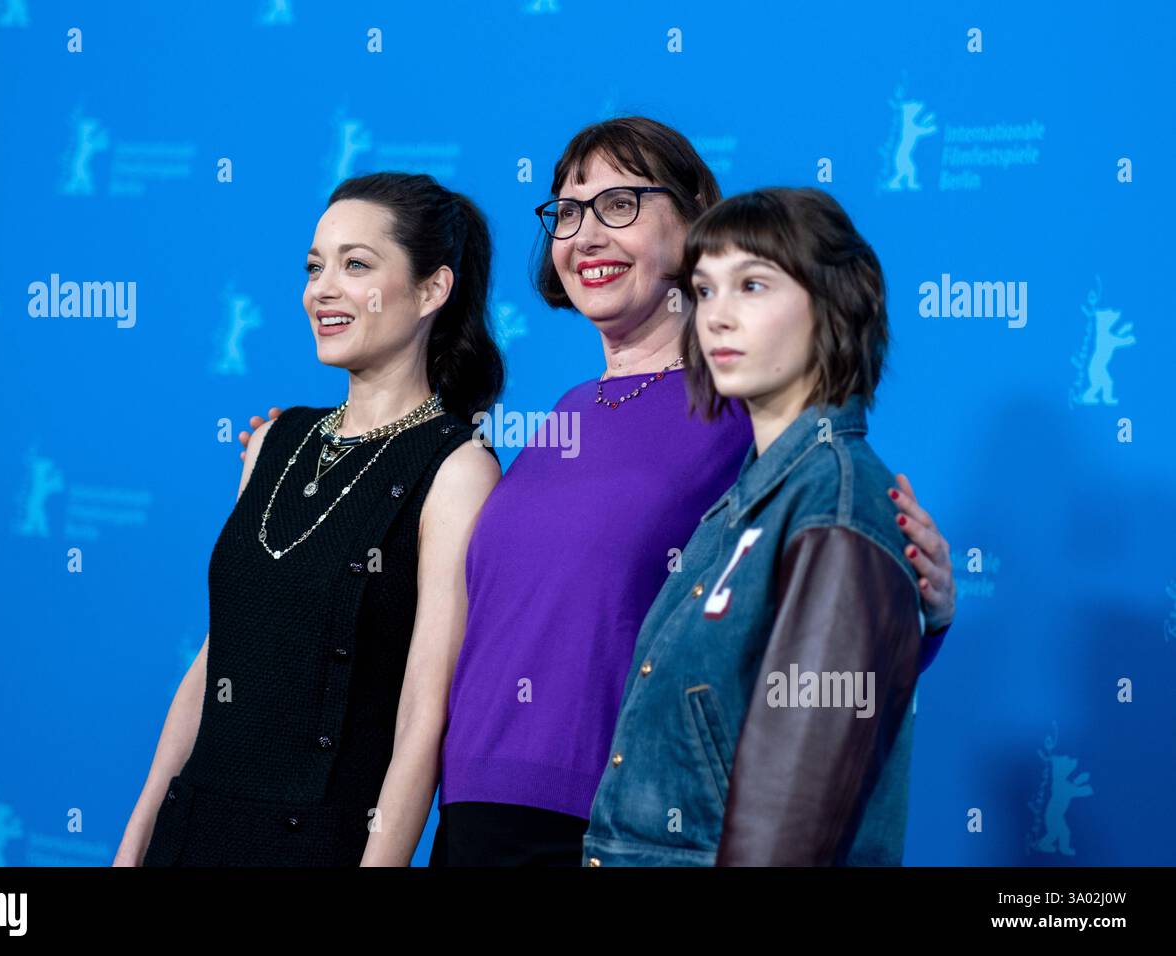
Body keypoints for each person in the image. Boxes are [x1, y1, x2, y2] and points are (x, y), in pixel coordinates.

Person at [241, 117, 954, 867]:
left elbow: (824, 613)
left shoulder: (744, 406)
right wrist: (305, 460)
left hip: (611, 829)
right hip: (472, 817)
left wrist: (921, 615)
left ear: (693, 224)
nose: (586, 234)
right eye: (570, 211)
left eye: (621, 205)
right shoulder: (570, 410)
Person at [114, 172, 502, 866]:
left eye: (356, 265)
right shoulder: (273, 440)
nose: (321, 290)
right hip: (192, 828)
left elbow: (422, 721)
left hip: (316, 843)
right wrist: (136, 839)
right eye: (315, 267)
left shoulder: (458, 470)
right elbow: (215, 664)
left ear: (431, 290)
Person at [583, 186, 928, 866]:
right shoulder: (749, 495)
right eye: (705, 291)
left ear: (836, 302)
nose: (717, 317)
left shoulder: (834, 503)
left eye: (753, 285)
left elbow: (792, 819)